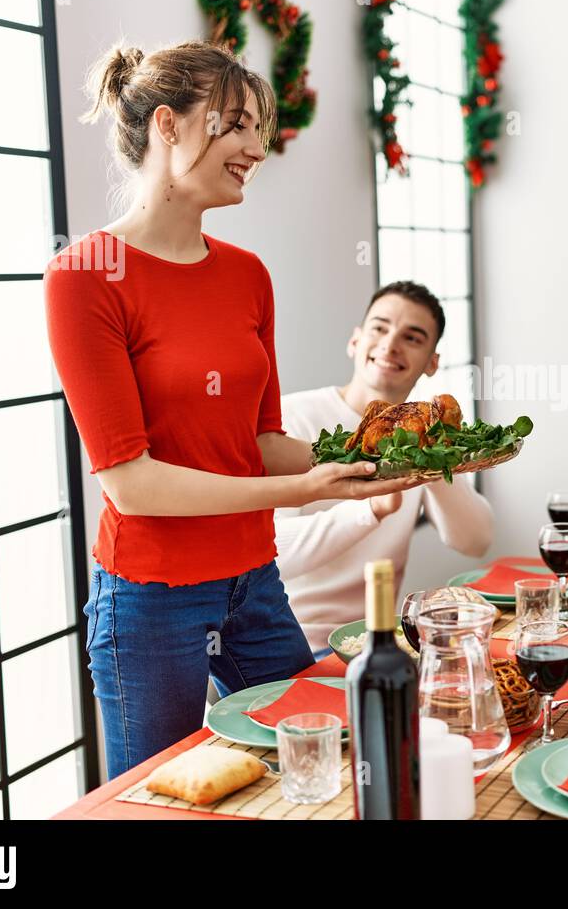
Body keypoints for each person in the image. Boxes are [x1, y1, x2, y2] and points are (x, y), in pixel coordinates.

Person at [45, 41, 421, 778]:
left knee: (320, 767)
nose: (257, 147)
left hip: (254, 581)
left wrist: (379, 461)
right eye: (237, 125)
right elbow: (132, 482)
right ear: (167, 125)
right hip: (152, 602)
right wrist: (303, 491)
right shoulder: (85, 277)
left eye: (258, 128)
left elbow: (264, 442)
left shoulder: (247, 276)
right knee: (164, 796)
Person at [275, 281, 493, 655]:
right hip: (293, 647)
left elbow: (474, 541)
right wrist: (369, 510)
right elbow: (272, 552)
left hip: (378, 643)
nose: (390, 344)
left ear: (431, 363)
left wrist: (434, 452)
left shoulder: (421, 433)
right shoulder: (292, 417)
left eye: (412, 337)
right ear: (355, 341)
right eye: (380, 327)